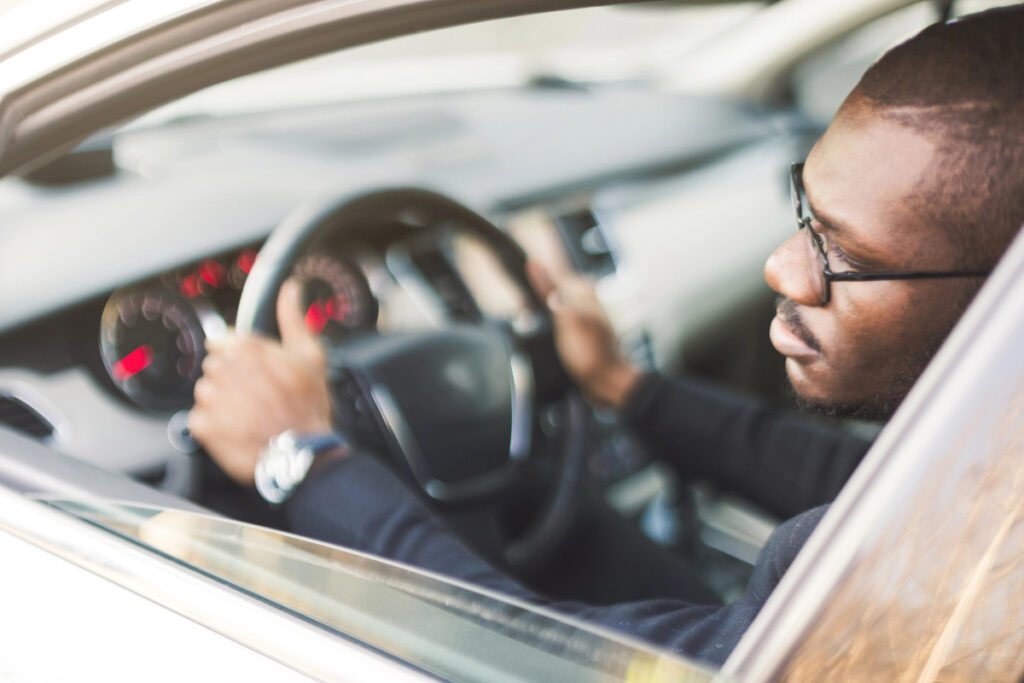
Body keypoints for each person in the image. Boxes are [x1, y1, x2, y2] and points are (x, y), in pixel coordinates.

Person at [188, 7, 1024, 666]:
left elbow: (528, 656)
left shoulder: (936, 585)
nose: (783, 267)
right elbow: (862, 477)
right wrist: (624, 386)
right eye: (803, 210)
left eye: (846, 253)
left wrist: (302, 454)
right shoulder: (978, 471)